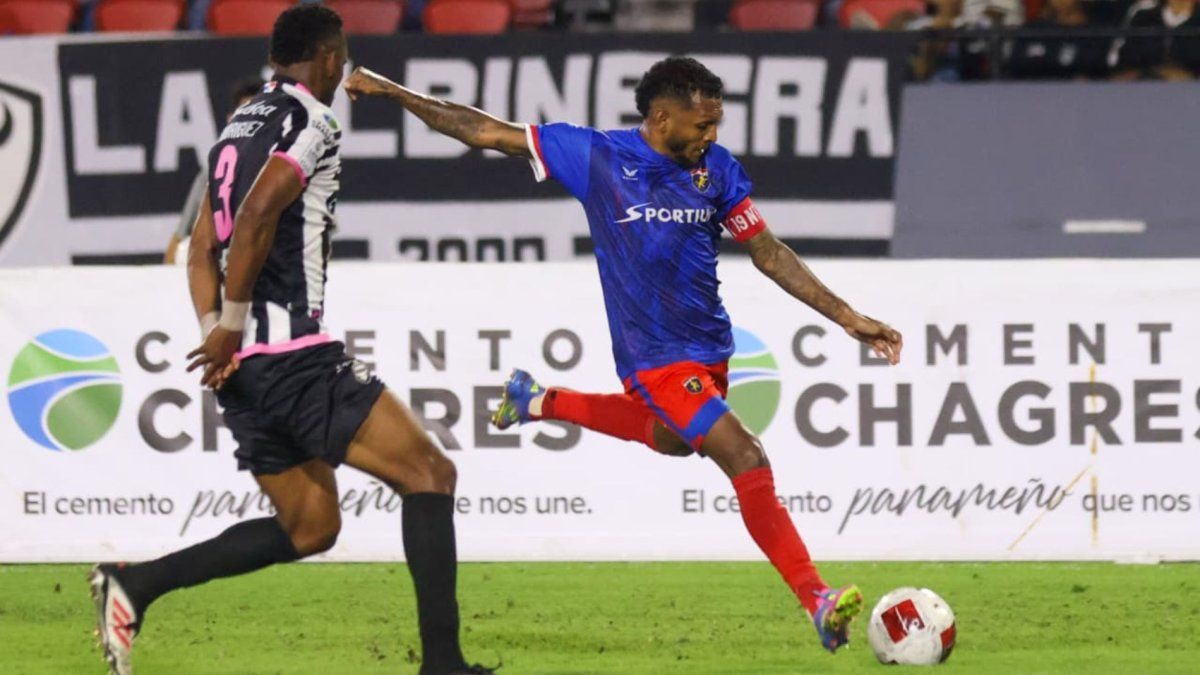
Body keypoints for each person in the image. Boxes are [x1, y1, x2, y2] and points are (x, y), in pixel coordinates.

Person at [342, 56, 903, 655]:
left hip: (711, 348)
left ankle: (537, 400)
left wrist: (847, 317)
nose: (712, 137)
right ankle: (815, 597)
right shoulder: (598, 157)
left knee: (672, 439)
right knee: (745, 454)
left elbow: (767, 251)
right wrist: (387, 89)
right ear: (662, 117)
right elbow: (481, 130)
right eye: (701, 125)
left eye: (717, 124)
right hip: (654, 355)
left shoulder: (717, 170)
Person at [89, 7, 492, 675]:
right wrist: (232, 324)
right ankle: (444, 664)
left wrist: (216, 335)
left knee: (310, 526)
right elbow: (253, 218)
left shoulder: (233, 129)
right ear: (331, 59)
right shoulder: (311, 120)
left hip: (245, 371)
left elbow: (199, 247)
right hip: (290, 356)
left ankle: (136, 585)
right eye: (343, 58)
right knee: (430, 473)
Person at [164, 77, 264, 265]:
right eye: (244, 114)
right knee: (185, 252)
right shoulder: (212, 172)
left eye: (258, 115)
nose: (251, 124)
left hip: (276, 270)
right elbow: (177, 243)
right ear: (231, 120)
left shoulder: (290, 167)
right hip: (222, 270)